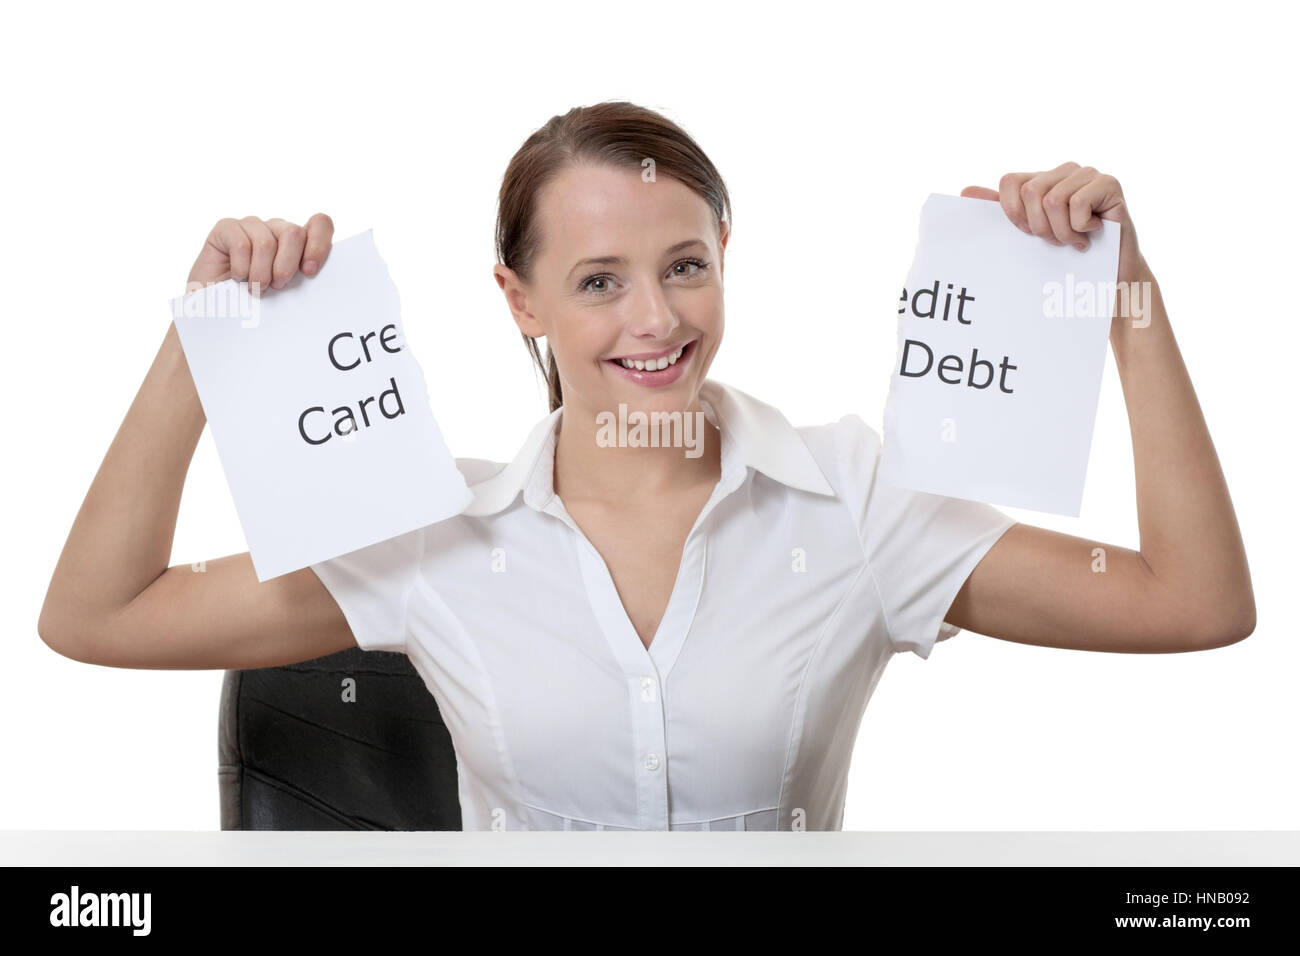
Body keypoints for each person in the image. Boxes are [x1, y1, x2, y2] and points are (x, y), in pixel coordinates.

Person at [37, 101, 1256, 831]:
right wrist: (209, 340)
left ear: (726, 254)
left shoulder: (858, 507)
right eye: (598, 281)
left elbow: (1190, 601)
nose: (654, 321)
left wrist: (1120, 303)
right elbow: (99, 613)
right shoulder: (428, 530)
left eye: (684, 264)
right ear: (519, 302)